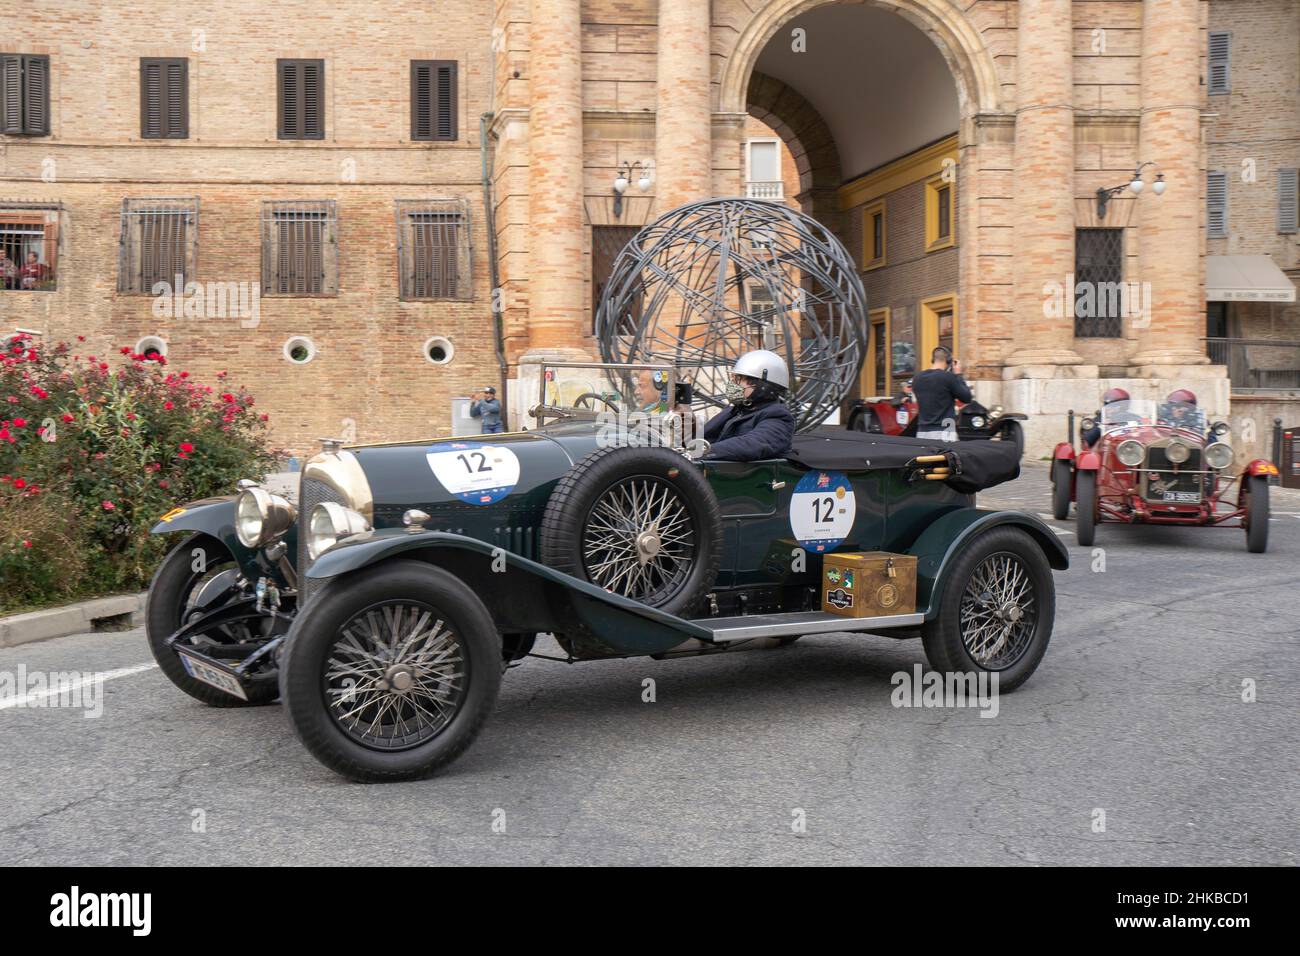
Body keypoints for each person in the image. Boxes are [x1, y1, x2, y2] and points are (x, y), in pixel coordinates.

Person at [701, 349, 795, 461]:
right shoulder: (735, 411)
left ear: (761, 386)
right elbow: (703, 437)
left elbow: (752, 445)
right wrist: (686, 422)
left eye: (738, 380)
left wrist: (703, 452)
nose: (733, 385)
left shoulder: (778, 417)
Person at [912, 346, 972, 442]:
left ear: (933, 359)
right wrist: (958, 374)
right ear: (948, 361)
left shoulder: (917, 378)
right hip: (946, 431)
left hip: (922, 432)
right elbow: (967, 398)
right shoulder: (949, 377)